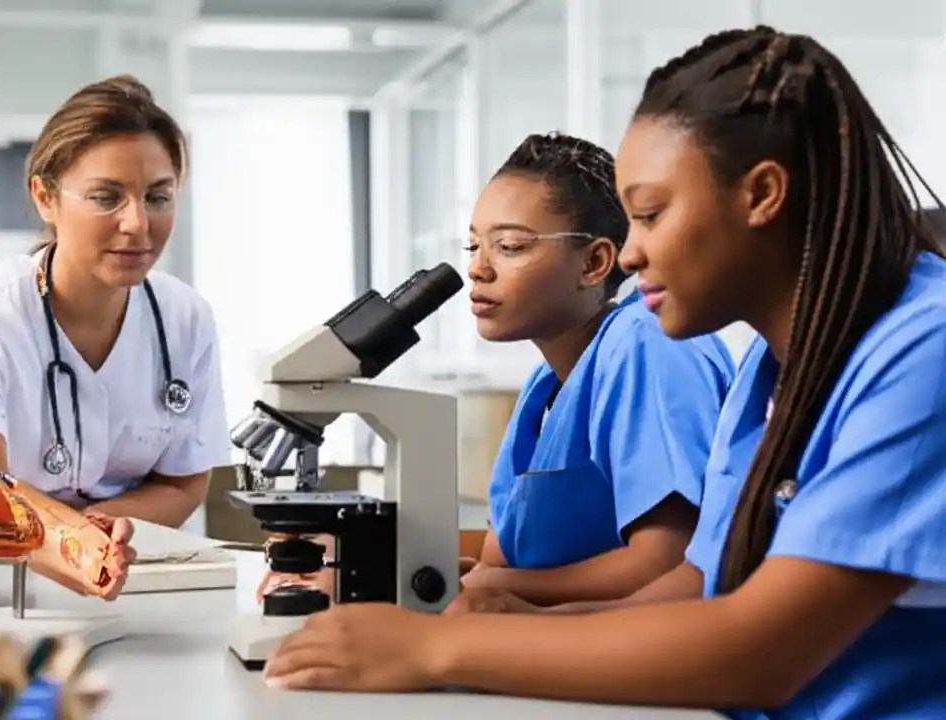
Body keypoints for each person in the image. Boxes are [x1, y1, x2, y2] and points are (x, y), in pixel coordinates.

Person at [261, 26, 946, 719]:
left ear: (761, 194)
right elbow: (701, 586)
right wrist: (508, 625)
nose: (630, 254)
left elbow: (760, 653)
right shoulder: (775, 369)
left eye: (647, 215)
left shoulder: (926, 350)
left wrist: (433, 650)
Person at [256, 133, 734, 609]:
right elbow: (502, 559)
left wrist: (494, 588)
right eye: (473, 247)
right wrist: (352, 556)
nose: (478, 270)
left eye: (508, 246)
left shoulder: (650, 345)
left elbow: (670, 562)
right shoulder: (546, 386)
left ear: (594, 262)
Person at [0, 76, 230, 592]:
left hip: (140, 579)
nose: (137, 223)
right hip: (2, 585)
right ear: (45, 197)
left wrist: (99, 531)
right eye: (106, 197)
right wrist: (74, 542)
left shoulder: (185, 318)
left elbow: (183, 482)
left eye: (158, 196)